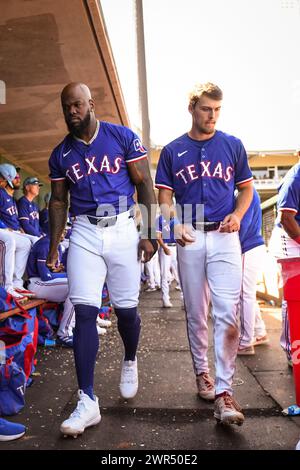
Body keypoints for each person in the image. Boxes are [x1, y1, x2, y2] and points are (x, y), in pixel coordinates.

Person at [46, 82, 157, 437]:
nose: (72, 112)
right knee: (85, 310)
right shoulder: (60, 153)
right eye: (67, 107)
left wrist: (149, 234)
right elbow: (59, 201)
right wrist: (53, 244)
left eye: (77, 104)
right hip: (85, 232)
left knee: (126, 312)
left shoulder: (122, 137)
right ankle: (87, 400)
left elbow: (144, 183)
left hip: (123, 226)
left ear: (91, 103)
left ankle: (129, 358)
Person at [155, 82, 253, 426]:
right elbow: (164, 199)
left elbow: (246, 189)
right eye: (205, 109)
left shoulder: (232, 145)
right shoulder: (172, 150)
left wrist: (239, 216)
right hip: (191, 234)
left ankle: (225, 394)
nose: (211, 116)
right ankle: (202, 372)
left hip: (225, 236)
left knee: (228, 312)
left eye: (217, 110)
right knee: (197, 312)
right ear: (192, 108)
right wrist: (173, 223)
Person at [268, 158, 300, 366]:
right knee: (292, 297)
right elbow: (286, 218)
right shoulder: (296, 175)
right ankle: (291, 350)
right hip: (290, 239)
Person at [26, 231, 75, 347]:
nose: (64, 233)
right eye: (61, 231)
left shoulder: (57, 245)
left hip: (46, 283)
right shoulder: (45, 245)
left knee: (78, 288)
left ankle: (70, 328)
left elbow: (52, 272)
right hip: (37, 284)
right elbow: (45, 276)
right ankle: (64, 334)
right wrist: (69, 275)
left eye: (64, 231)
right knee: (76, 287)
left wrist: (62, 272)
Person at [237, 187, 268, 356]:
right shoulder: (245, 190)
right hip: (252, 246)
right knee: (247, 294)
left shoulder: (245, 190)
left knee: (244, 295)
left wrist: (233, 249)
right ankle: (259, 331)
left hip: (247, 247)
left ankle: (246, 341)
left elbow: (244, 224)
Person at [0, 163, 33, 299]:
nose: (17, 179)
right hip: (4, 231)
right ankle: (6, 286)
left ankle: (17, 283)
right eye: (15, 177)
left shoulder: (11, 198)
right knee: (9, 240)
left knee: (26, 243)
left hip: (11, 230)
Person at [156, 213, 181, 308]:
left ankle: (184, 300)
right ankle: (165, 299)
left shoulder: (178, 217)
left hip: (177, 246)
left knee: (180, 273)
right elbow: (158, 236)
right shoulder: (160, 219)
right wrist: (164, 248)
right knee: (164, 274)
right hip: (165, 246)